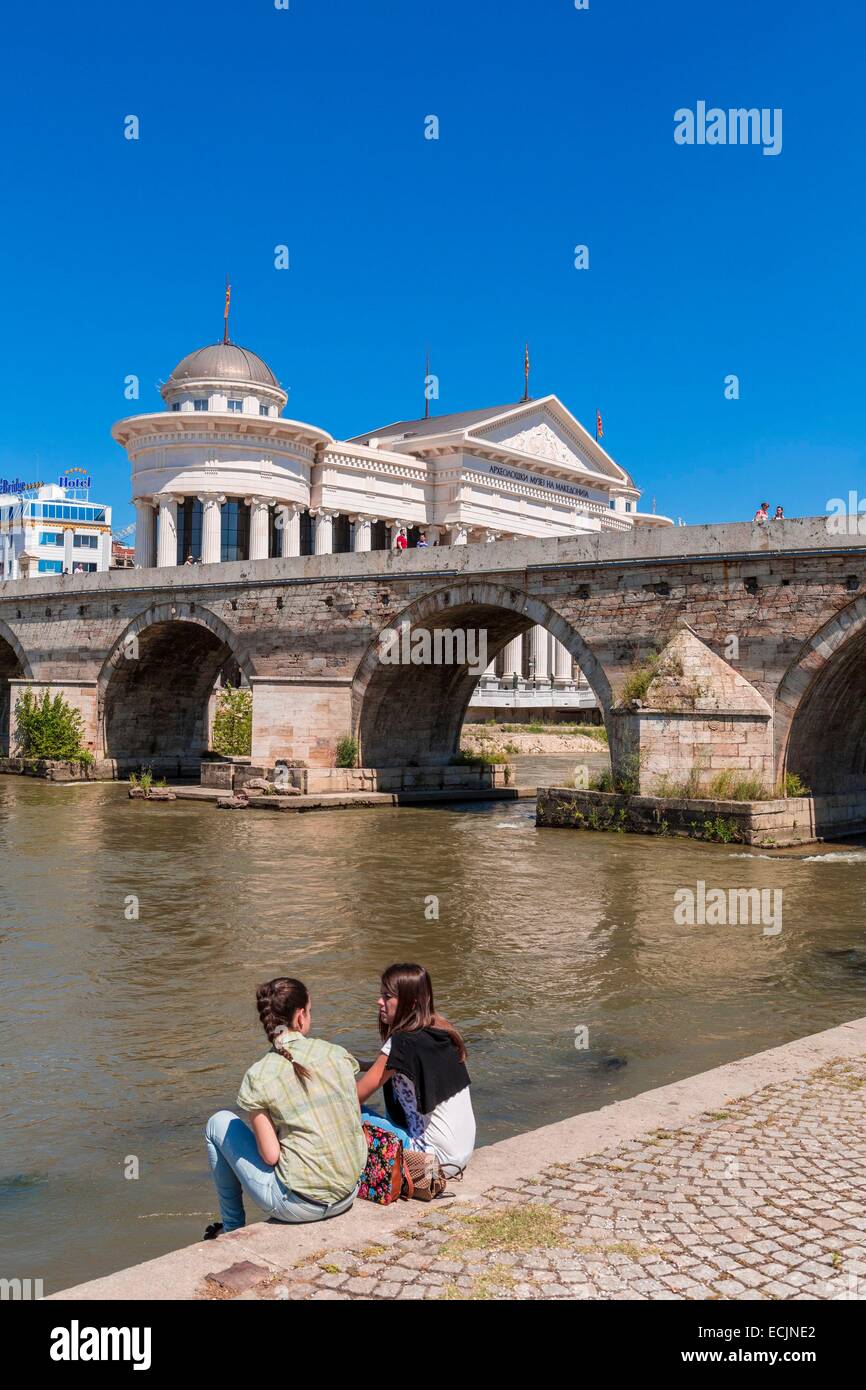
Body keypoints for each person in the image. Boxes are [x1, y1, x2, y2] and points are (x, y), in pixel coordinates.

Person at [203, 977, 367, 1237]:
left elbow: (270, 1156)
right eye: (310, 1011)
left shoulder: (259, 1075)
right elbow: (353, 1121)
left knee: (218, 1122)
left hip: (299, 1207)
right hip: (349, 1193)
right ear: (300, 1016)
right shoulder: (336, 1053)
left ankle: (232, 1228)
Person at [356, 963, 476, 1172]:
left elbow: (354, 1097)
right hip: (460, 1154)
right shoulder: (441, 1029)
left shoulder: (400, 1043)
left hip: (431, 1161)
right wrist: (363, 1065)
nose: (379, 1002)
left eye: (387, 997)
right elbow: (396, 1068)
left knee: (345, 1110)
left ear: (410, 1003)